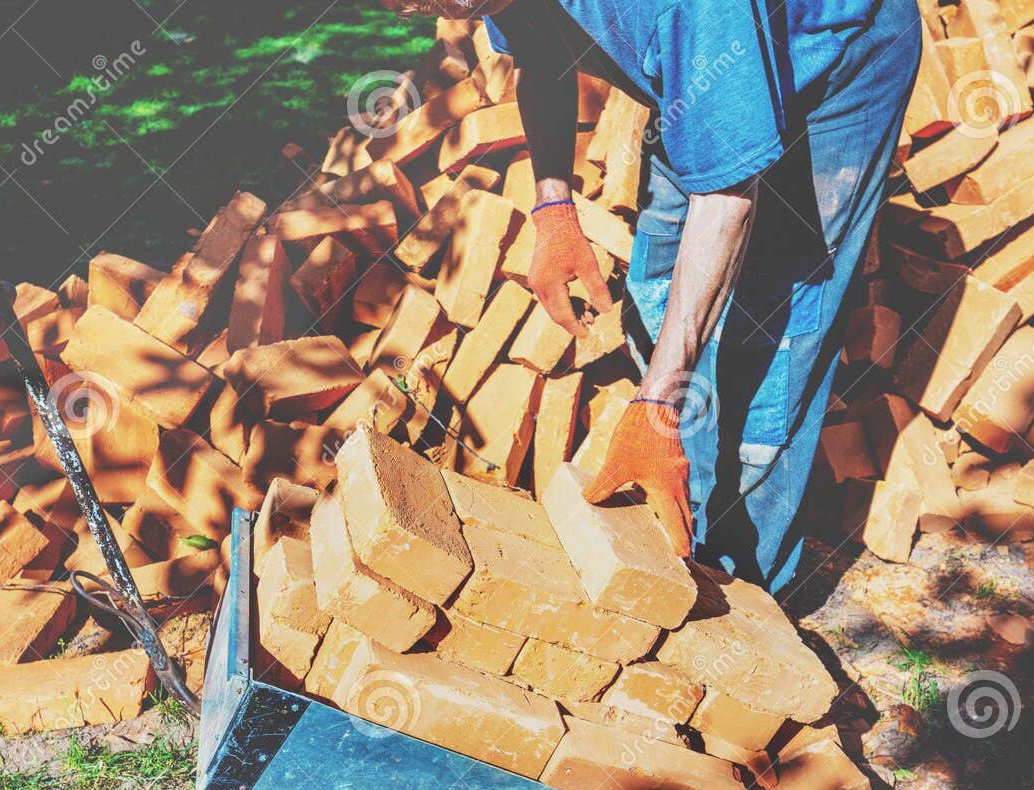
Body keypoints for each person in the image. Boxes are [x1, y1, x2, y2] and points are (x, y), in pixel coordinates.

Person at [379, 0, 920, 597]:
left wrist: (659, 406)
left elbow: (727, 198)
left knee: (769, 328)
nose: (414, 11)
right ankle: (680, 500)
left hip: (837, 62)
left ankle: (741, 594)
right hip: (714, 66)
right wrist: (554, 209)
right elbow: (541, 56)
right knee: (659, 285)